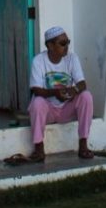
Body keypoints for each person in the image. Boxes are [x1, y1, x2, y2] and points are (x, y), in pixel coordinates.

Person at [11, 25, 94, 163]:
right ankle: (39, 149)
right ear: (50, 45)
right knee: (37, 102)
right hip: (48, 111)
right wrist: (55, 93)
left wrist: (73, 90)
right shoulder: (39, 60)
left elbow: (82, 84)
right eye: (62, 43)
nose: (66, 46)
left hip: (67, 109)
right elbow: (36, 89)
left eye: (68, 42)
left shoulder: (72, 58)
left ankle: (83, 145)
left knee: (86, 96)